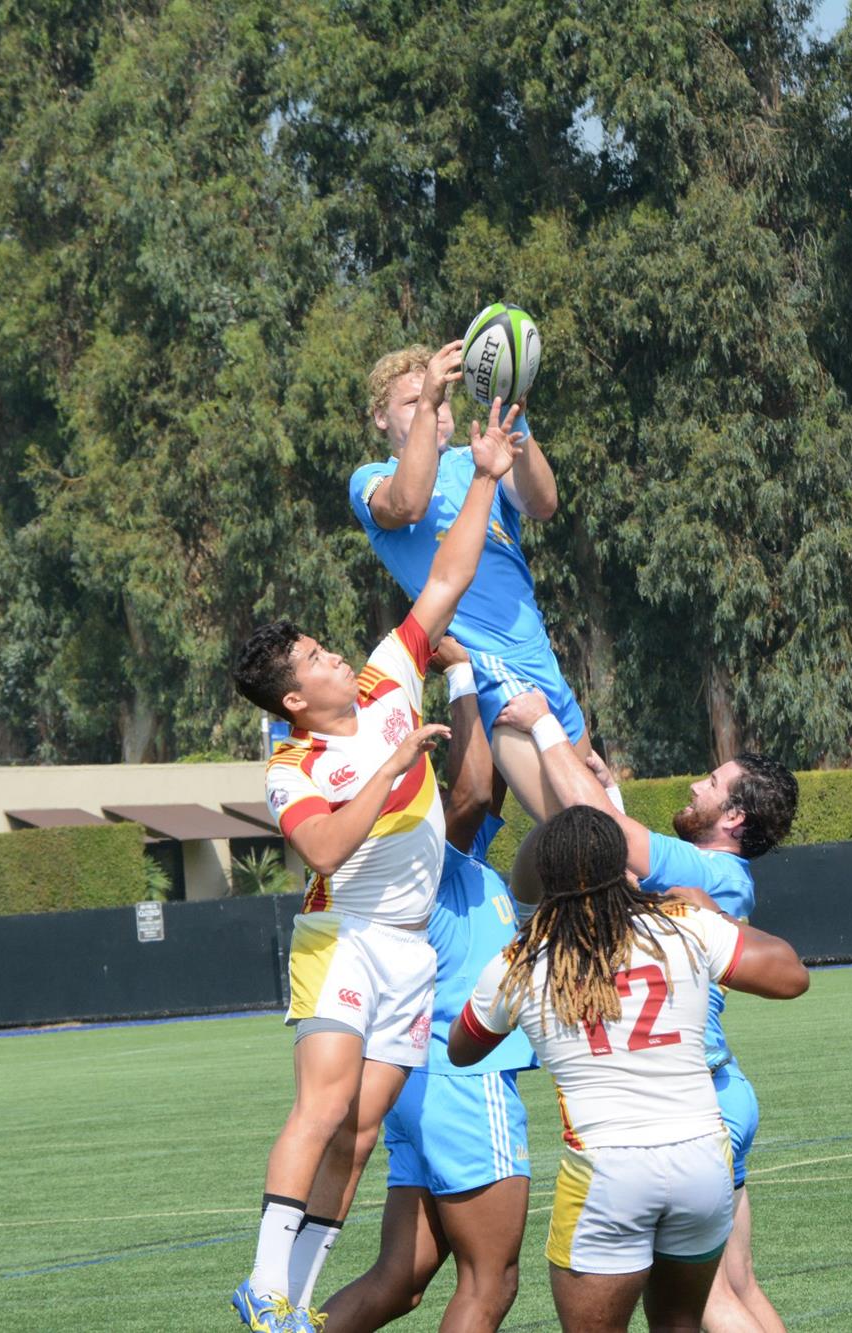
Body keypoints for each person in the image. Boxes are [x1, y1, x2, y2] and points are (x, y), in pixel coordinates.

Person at [227, 402, 523, 1333]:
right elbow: (319, 848)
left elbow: (446, 578)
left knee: (359, 1136)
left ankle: (299, 1303)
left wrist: (479, 474)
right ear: (292, 696)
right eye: (313, 656)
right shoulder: (290, 765)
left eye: (322, 644)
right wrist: (395, 769)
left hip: (408, 952)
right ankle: (264, 1286)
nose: (331, 651)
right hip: (342, 939)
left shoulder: (388, 678)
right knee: (321, 1108)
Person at [496, 690, 799, 1332]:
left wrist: (542, 724)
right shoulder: (712, 875)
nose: (696, 784)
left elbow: (609, 839)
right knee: (736, 1284)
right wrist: (611, 798)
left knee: (709, 1302)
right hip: (719, 1088)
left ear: (735, 817)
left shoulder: (709, 870)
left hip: (691, 1101)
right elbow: (623, 871)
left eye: (713, 783)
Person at [320, 639, 534, 1332]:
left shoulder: (425, 862)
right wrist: (461, 671)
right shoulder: (419, 855)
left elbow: (487, 784)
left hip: (416, 1082)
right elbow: (472, 785)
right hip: (463, 1078)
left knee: (399, 1280)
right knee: (491, 1281)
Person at [351, 340, 591, 822]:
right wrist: (431, 403)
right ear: (381, 417)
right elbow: (409, 504)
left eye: (441, 400)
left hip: (541, 661)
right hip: (491, 673)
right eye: (416, 402)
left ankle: (514, 898)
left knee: (599, 815)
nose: (435, 411)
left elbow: (543, 505)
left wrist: (515, 408)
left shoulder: (479, 458)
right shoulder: (372, 478)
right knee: (580, 827)